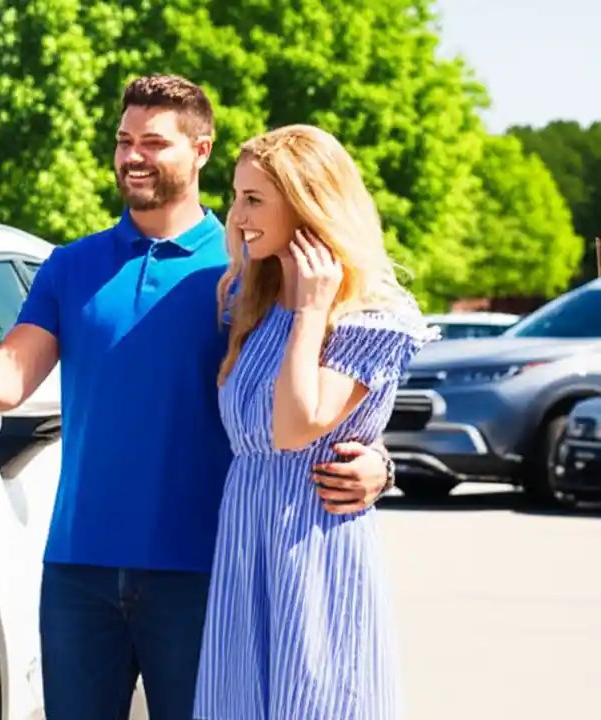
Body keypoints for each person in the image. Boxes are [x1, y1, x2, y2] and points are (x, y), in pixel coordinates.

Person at [0, 75, 395, 719]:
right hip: (78, 569)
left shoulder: (247, 269)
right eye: (124, 140)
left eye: (153, 141)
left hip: (207, 567)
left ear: (202, 150)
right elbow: (9, 379)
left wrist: (377, 460)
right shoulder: (71, 266)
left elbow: (320, 377)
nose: (132, 156)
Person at [191, 125, 435, 720]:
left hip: (313, 546)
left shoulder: (370, 312)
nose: (236, 214)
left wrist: (312, 311)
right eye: (236, 195)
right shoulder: (253, 295)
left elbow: (297, 427)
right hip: (246, 540)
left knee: (318, 701)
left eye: (254, 199)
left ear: (305, 201)